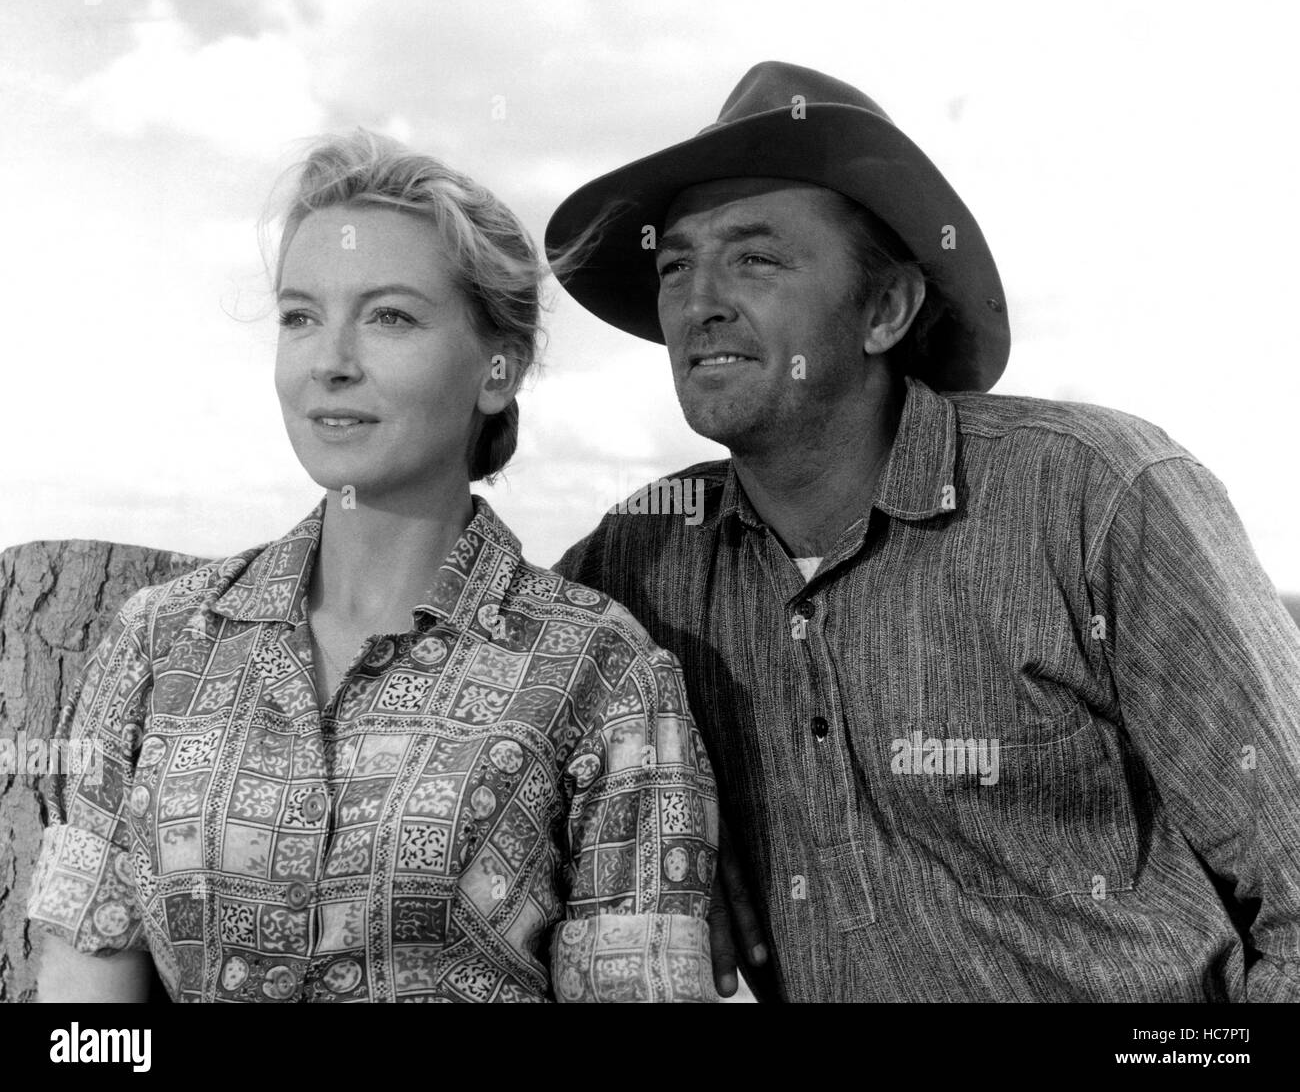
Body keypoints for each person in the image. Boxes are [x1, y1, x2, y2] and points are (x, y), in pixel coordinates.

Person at [546, 61, 1300, 1001]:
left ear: (886, 309)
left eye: (755, 258)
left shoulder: (1094, 495)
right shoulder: (642, 559)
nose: (699, 303)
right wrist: (667, 821)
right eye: (674, 267)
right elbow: (476, 689)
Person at [27, 130, 718, 1003]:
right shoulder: (161, 641)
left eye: (389, 315)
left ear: (497, 369)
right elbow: (82, 1015)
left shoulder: (600, 669)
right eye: (300, 315)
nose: (331, 361)